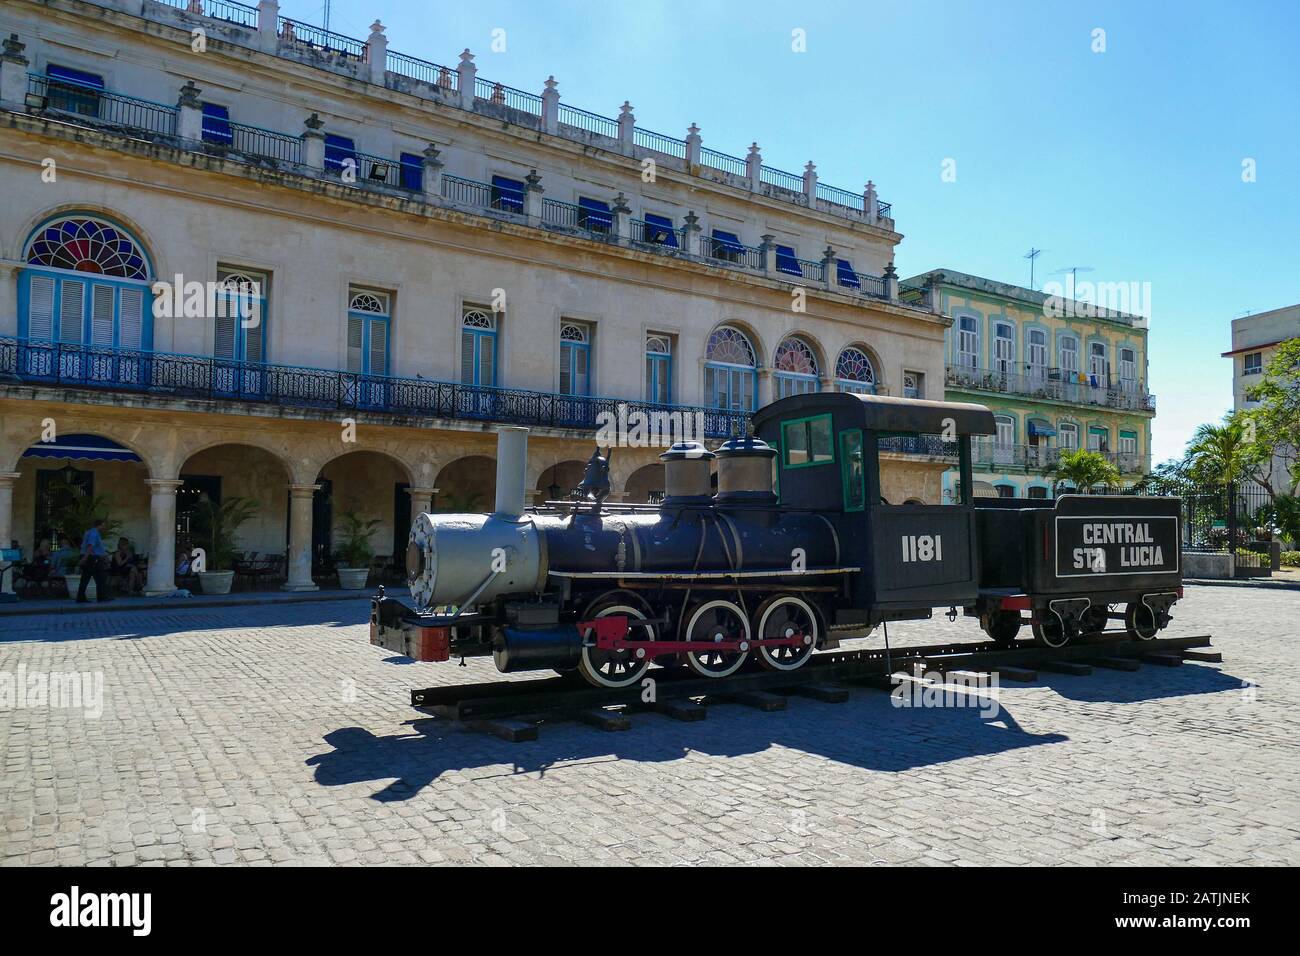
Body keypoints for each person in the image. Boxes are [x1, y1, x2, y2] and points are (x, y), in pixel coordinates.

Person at [77, 518, 111, 604]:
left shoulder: (91, 532)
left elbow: (96, 548)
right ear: (98, 525)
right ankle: (102, 597)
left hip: (90, 557)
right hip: (91, 558)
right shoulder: (94, 533)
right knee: (100, 577)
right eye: (103, 525)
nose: (104, 527)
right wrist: (85, 558)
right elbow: (90, 546)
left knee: (85, 577)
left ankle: (80, 597)